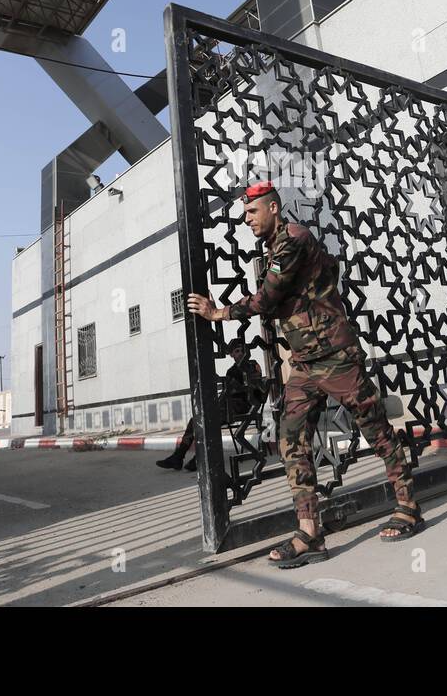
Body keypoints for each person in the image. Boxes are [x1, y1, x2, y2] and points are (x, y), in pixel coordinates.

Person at [186, 180, 422, 568]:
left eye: (252, 212)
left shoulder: (293, 239)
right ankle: (310, 532)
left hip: (336, 355)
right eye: (245, 213)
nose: (247, 220)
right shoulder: (276, 245)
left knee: (374, 430)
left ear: (273, 208)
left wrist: (219, 313)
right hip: (305, 364)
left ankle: (408, 505)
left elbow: (267, 299)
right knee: (292, 441)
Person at [157, 338, 265, 471]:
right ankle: (178, 456)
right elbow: (228, 392)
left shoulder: (253, 365)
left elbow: (254, 386)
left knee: (210, 421)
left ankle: (199, 459)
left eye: (242, 350)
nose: (240, 353)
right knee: (195, 421)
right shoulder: (231, 371)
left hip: (246, 406)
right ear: (231, 355)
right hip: (229, 406)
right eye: (237, 351)